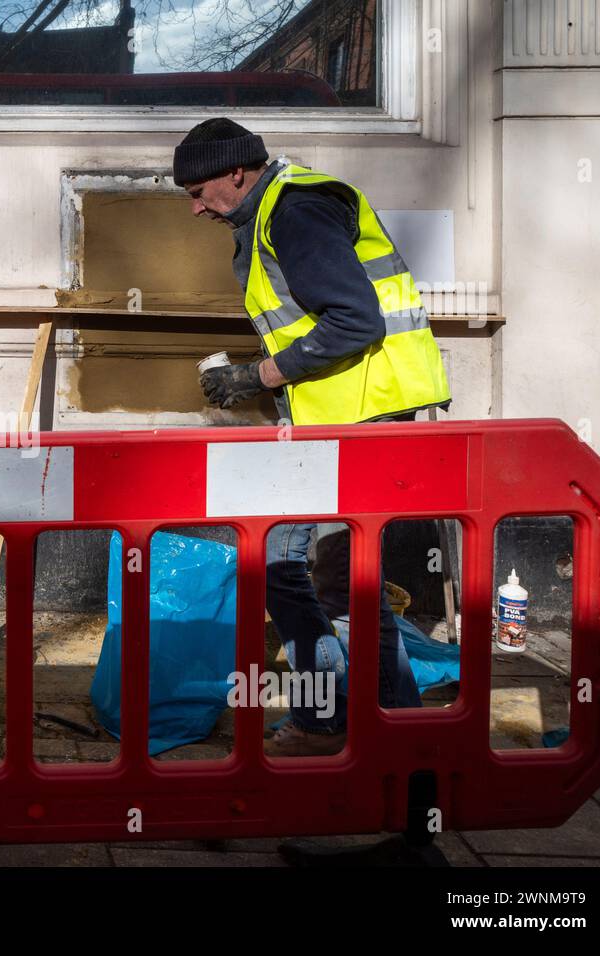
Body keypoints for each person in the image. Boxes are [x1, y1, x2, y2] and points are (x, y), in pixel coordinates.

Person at [173, 118, 452, 757]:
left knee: (332, 579)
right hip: (335, 421)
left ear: (235, 171)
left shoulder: (294, 210)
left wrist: (254, 376)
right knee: (307, 571)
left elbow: (355, 320)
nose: (194, 208)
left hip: (365, 420)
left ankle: (360, 730)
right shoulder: (273, 212)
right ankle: (371, 726)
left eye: (198, 189)